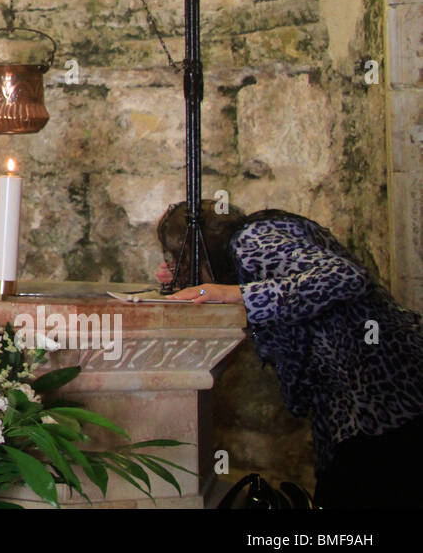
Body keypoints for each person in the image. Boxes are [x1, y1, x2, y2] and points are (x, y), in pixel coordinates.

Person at [155, 201, 423, 509]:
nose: (175, 262)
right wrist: (185, 282)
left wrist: (235, 293)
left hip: (384, 388)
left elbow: (344, 277)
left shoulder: (251, 239)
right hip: (355, 397)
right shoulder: (244, 246)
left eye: (179, 256)